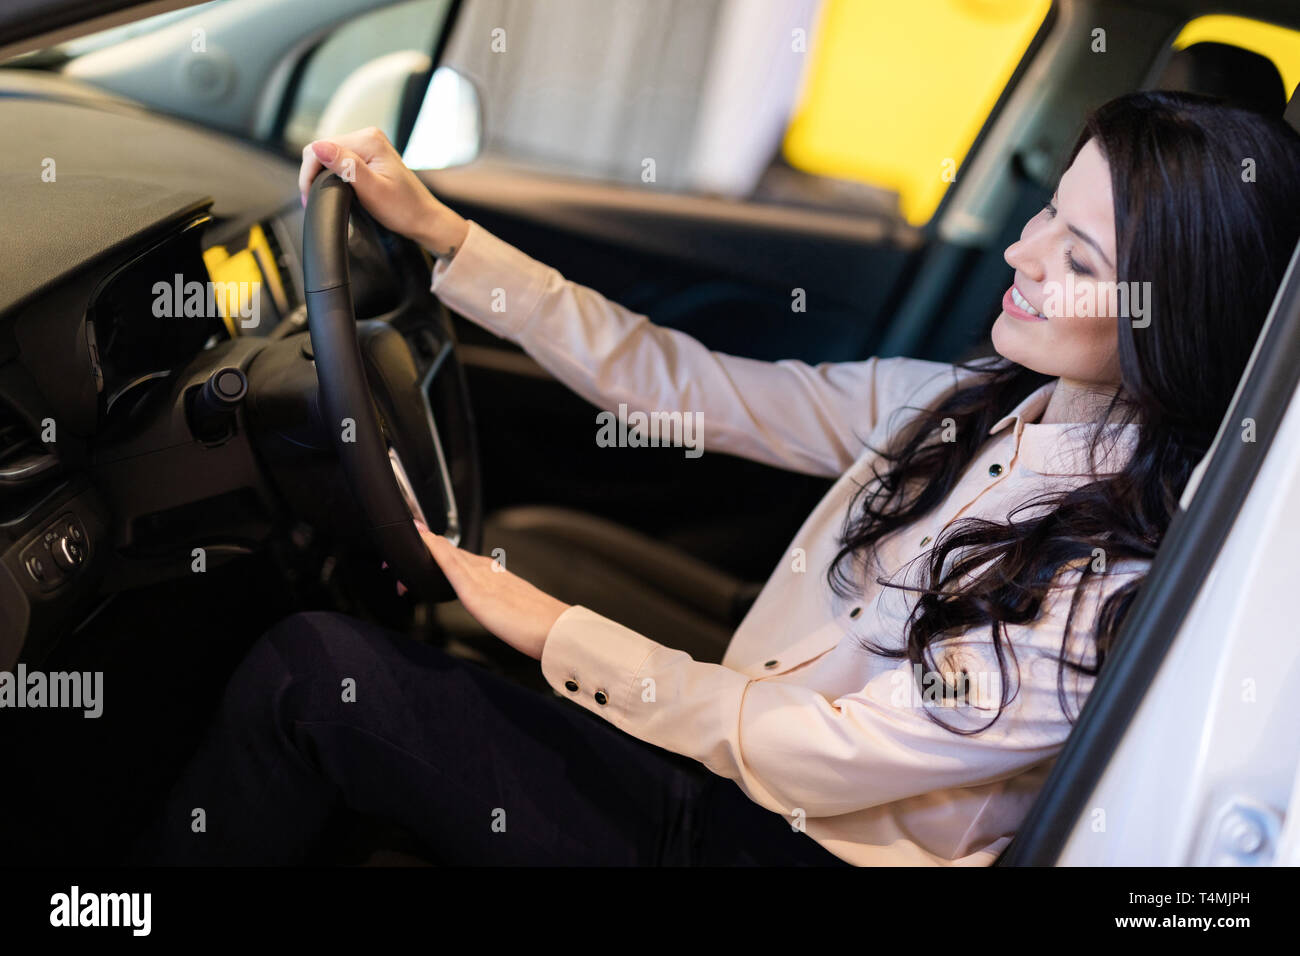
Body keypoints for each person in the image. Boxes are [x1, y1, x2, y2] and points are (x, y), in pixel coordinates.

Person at [134, 90, 1300, 865]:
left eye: (1078, 257)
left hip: (776, 844)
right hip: (735, 765)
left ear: (1171, 315)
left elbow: (816, 751)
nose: (1018, 253)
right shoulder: (971, 400)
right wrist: (446, 236)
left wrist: (546, 627)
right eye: (1047, 211)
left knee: (312, 674)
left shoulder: (1108, 581)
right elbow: (680, 385)